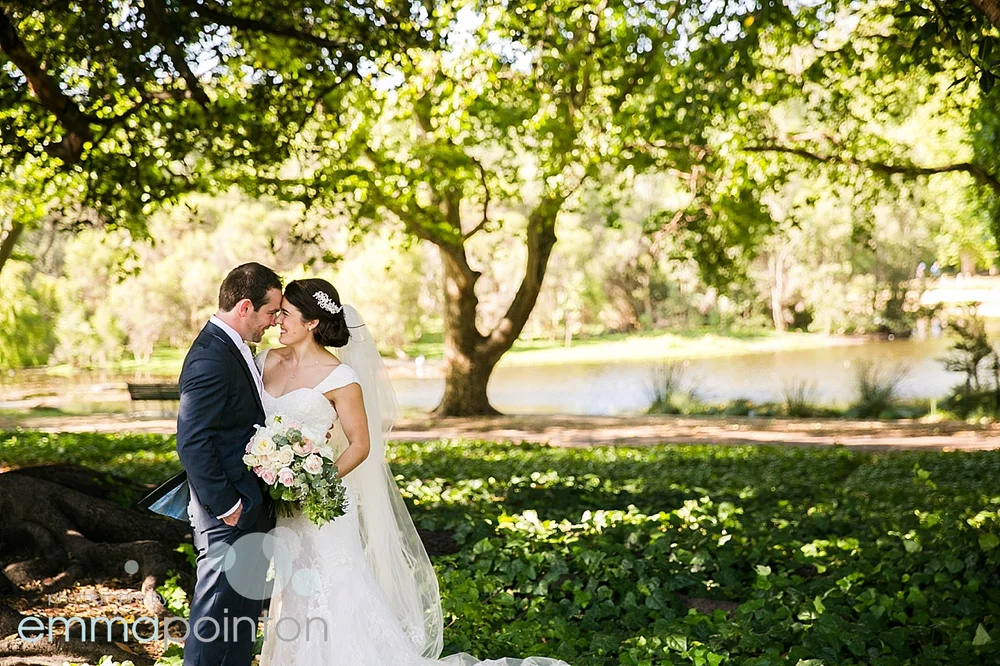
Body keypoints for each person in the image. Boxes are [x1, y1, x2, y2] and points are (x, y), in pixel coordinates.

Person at [255, 278, 568, 666]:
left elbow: (360, 445)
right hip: (282, 500)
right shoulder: (265, 360)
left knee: (334, 584)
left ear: (312, 322)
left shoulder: (341, 378)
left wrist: (316, 483)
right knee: (293, 585)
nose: (276, 321)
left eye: (284, 314)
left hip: (321, 500)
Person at [176, 262, 283, 666]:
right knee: (213, 618)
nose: (273, 322)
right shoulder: (210, 357)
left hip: (250, 507)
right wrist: (227, 507)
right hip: (227, 514)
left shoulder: (235, 350)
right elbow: (192, 440)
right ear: (244, 307)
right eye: (271, 312)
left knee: (240, 620)